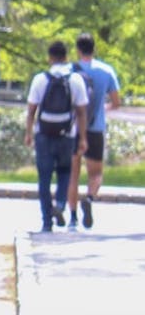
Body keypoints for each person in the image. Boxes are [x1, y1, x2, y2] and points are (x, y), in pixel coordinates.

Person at [23, 41, 89, 234]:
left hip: (43, 134)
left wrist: (28, 133)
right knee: (64, 172)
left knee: (44, 178)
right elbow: (82, 112)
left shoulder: (40, 80)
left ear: (50, 58)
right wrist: (83, 138)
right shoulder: (75, 80)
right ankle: (60, 204)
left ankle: (46, 221)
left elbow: (31, 111)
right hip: (66, 135)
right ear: (66, 57)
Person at [65, 32, 123, 230]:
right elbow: (116, 103)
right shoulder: (106, 71)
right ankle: (89, 198)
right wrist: (102, 109)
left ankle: (72, 217)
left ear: (78, 50)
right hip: (96, 128)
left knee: (72, 174)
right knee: (96, 173)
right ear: (94, 48)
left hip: (73, 129)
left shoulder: (70, 71)